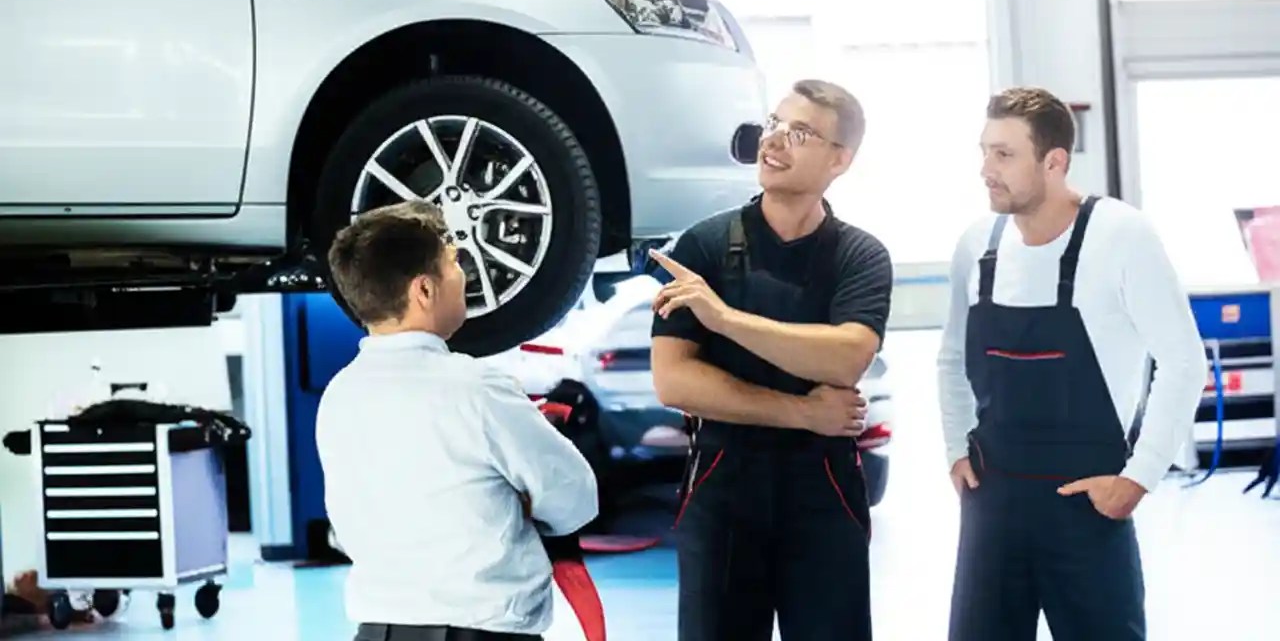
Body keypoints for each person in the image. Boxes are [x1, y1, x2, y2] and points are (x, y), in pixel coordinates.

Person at [938, 87, 1206, 641]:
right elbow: (950, 357)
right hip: (993, 503)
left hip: (1087, 508)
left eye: (1004, 155)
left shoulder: (1121, 236)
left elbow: (1182, 361)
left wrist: (1140, 477)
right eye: (984, 151)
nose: (986, 169)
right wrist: (954, 448)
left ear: (1054, 161)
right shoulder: (977, 245)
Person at [650, 79, 893, 641]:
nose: (775, 140)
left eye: (800, 132)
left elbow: (847, 357)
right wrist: (802, 412)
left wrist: (726, 321)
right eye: (774, 123)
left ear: (841, 159)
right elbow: (675, 380)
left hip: (824, 497)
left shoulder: (860, 256)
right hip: (722, 491)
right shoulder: (702, 249)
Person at [315, 200, 599, 641]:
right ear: (424, 291)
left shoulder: (338, 396)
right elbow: (575, 496)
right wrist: (520, 504)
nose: (464, 276)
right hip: (477, 633)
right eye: (455, 263)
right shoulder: (475, 387)